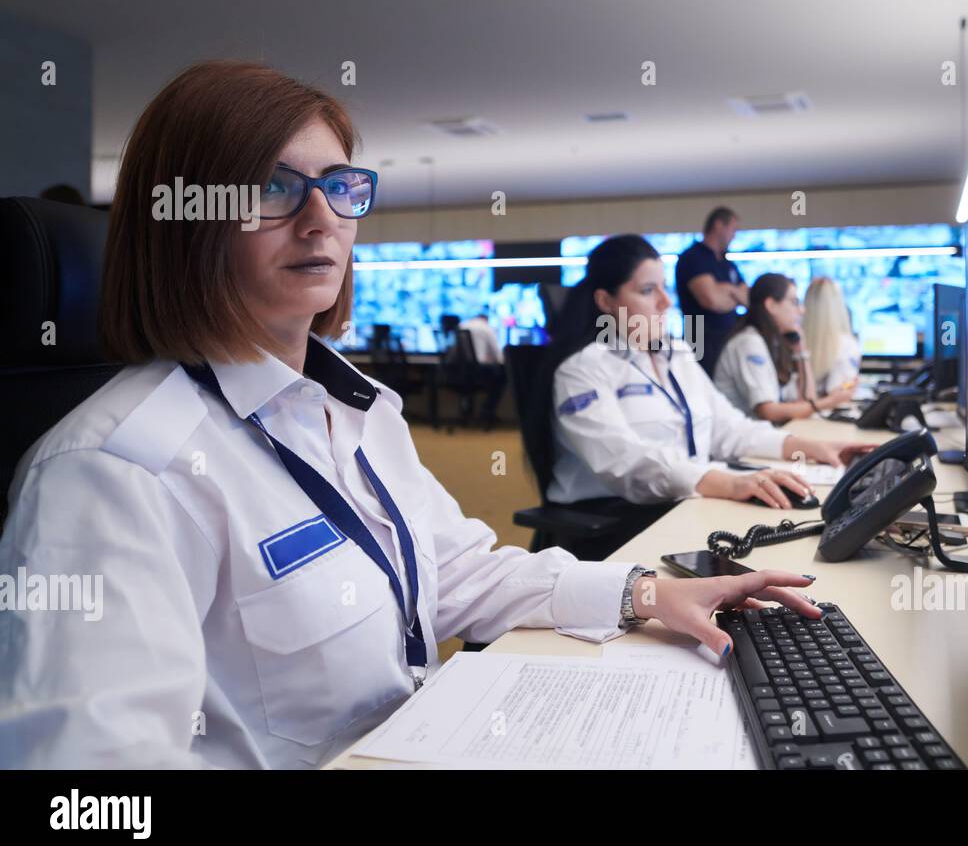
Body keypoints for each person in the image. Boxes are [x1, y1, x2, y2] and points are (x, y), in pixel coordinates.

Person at [0, 61, 822, 769]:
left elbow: (463, 573)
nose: (321, 217)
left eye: (339, 187)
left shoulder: (357, 409)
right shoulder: (113, 473)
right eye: (274, 187)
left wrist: (645, 593)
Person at [525, 237, 866, 553]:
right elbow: (627, 462)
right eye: (647, 290)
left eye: (664, 287)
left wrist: (808, 447)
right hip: (617, 526)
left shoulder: (674, 353)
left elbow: (727, 428)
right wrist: (728, 484)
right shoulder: (583, 370)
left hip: (686, 501)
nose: (666, 301)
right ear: (606, 301)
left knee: (797, 535)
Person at [714, 273, 855, 423]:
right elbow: (768, 411)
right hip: (743, 441)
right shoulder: (749, 343)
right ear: (771, 305)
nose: (802, 311)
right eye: (794, 302)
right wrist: (829, 402)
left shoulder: (774, 343)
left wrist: (801, 352)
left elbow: (807, 399)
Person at [675, 206, 747, 376]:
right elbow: (712, 300)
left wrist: (727, 291)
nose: (734, 235)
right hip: (699, 338)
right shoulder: (693, 257)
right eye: (733, 229)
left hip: (727, 337)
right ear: (718, 225)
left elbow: (747, 298)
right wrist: (733, 292)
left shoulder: (727, 263)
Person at [802, 276, 862, 397]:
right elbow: (843, 391)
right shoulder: (848, 346)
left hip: (797, 412)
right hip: (831, 411)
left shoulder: (794, 342)